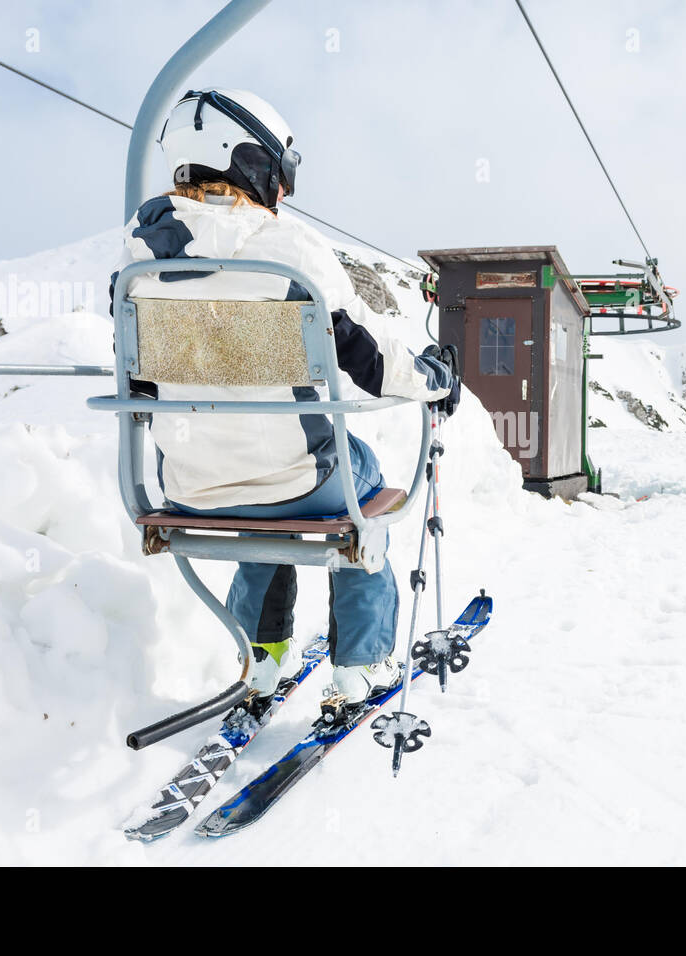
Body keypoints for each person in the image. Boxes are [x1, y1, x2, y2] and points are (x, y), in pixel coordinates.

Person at [111, 88, 459, 706]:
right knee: (361, 489)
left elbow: (137, 371)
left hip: (187, 485)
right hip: (298, 480)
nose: (284, 191)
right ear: (252, 161)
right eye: (282, 173)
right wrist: (433, 377)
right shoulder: (289, 253)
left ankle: (262, 654)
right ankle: (360, 664)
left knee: (257, 493)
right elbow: (369, 362)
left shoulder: (136, 256)